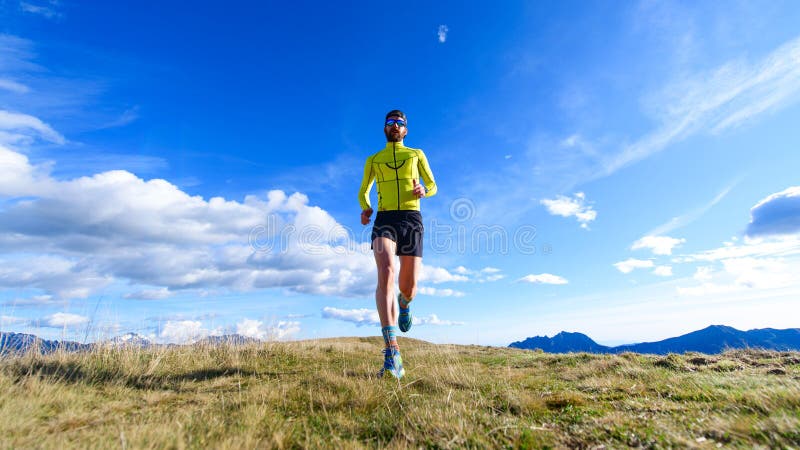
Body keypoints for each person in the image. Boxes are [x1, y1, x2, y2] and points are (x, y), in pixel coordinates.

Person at [358, 109, 437, 379]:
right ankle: (392, 353)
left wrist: (424, 190)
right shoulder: (373, 160)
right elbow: (363, 190)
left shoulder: (416, 154)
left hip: (412, 219)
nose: (395, 126)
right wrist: (366, 208)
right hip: (385, 219)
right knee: (386, 271)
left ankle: (404, 304)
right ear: (384, 128)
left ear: (406, 130)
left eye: (399, 123)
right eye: (390, 122)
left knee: (409, 287)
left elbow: (433, 184)